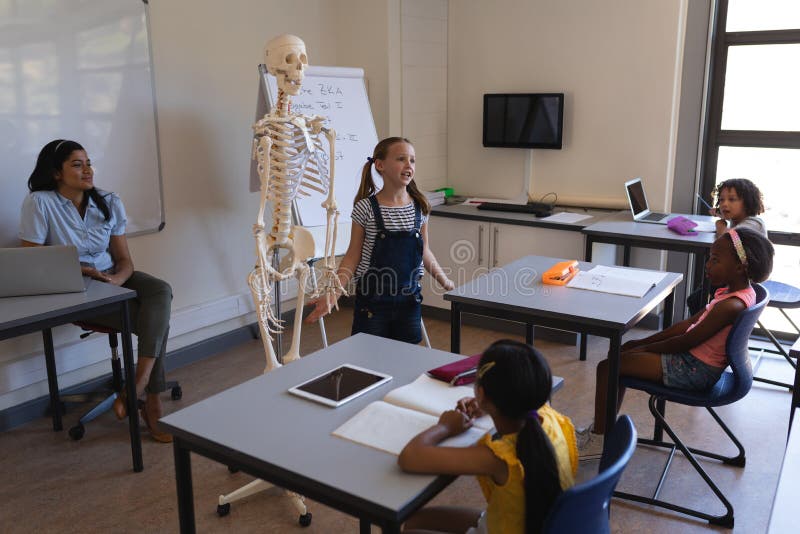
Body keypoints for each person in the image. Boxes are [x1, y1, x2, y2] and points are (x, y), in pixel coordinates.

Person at [19, 139, 173, 443]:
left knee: (160, 290)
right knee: (153, 320)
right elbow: (32, 263)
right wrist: (83, 271)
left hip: (112, 278)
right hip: (75, 285)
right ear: (56, 173)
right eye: (77, 164)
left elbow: (125, 261)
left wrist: (117, 281)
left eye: (88, 163)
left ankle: (136, 387)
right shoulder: (39, 202)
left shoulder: (109, 200)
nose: (88, 170)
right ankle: (152, 402)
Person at [581, 227, 774, 459]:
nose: (708, 265)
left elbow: (686, 341)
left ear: (740, 267)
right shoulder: (732, 293)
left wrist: (643, 348)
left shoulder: (731, 305)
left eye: (715, 260)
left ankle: (599, 441)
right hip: (693, 362)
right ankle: (603, 432)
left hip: (694, 370)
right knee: (620, 360)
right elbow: (688, 325)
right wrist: (641, 342)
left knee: (608, 367)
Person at [397, 340, 578, 534]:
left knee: (410, 529)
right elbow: (518, 398)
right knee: (416, 520)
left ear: (481, 393)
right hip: (540, 524)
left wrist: (445, 427)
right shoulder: (551, 418)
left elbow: (410, 457)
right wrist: (486, 405)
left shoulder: (497, 457)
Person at [306, 136, 454, 344]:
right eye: (401, 158)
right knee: (368, 356)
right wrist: (333, 294)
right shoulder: (365, 208)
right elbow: (352, 256)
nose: (408, 165)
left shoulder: (420, 206)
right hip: (373, 303)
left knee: (406, 356)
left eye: (412, 160)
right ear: (380, 165)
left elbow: (425, 251)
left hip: (409, 301)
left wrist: (445, 281)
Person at [688, 178, 768, 314]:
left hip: (744, 280)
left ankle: (702, 329)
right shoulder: (738, 220)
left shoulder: (753, 224)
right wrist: (720, 214)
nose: (725, 204)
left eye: (732, 200)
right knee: (697, 298)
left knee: (697, 300)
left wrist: (721, 228)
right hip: (734, 276)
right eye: (721, 200)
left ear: (747, 203)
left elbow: (726, 244)